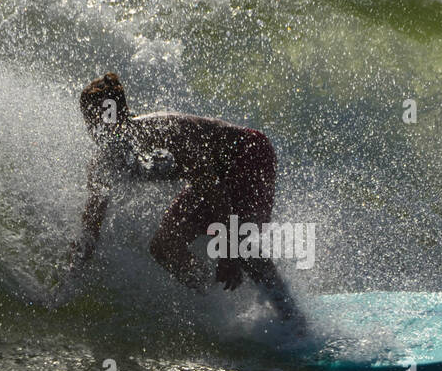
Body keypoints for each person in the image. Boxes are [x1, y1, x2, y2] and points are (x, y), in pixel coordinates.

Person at [66, 72, 303, 324]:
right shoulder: (103, 166)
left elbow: (216, 194)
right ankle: (216, 302)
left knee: (241, 244)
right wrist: (68, 280)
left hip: (248, 154)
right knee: (164, 246)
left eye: (97, 120)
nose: (93, 130)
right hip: (213, 174)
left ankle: (292, 320)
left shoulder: (160, 134)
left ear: (118, 114)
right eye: (89, 122)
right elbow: (90, 230)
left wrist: (229, 253)